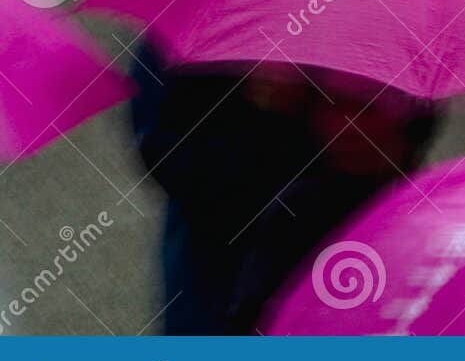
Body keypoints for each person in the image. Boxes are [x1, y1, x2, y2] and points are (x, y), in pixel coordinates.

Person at [131, 52, 436, 334]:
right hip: (224, 257)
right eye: (333, 105)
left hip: (370, 213)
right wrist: (263, 113)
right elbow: (166, 144)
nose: (348, 125)